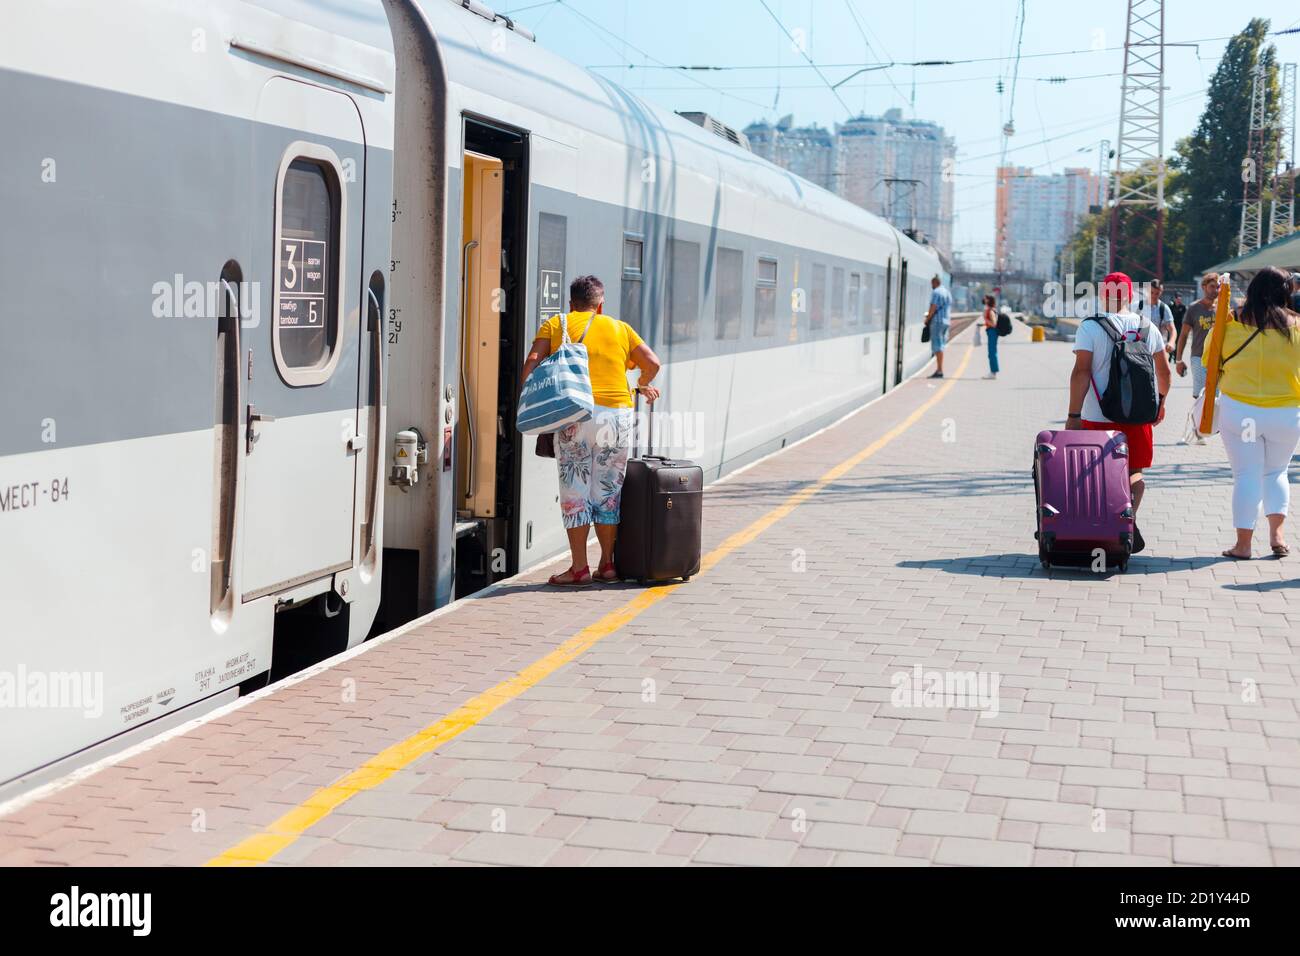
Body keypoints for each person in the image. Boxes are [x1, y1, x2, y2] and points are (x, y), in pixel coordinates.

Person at [519, 275, 662, 585]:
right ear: (600, 305)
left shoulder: (557, 324)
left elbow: (530, 365)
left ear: (571, 304)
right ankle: (607, 565)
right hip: (616, 418)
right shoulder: (620, 328)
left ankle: (579, 568)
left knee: (575, 491)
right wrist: (642, 383)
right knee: (608, 493)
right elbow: (652, 362)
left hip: (574, 416)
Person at [1067, 271, 1171, 554]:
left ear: (1103, 295)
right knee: (1133, 473)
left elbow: (1081, 372)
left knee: (1097, 477)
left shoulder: (1090, 327)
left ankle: (1103, 532)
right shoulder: (1147, 326)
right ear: (1129, 295)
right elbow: (1164, 373)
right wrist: (1159, 404)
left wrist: (1073, 416)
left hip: (1097, 417)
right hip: (1138, 418)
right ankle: (1127, 518)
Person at [1211, 267, 1300, 560]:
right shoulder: (1297, 325)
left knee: (1247, 475)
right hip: (1286, 414)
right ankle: (1277, 536)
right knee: (1276, 472)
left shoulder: (1231, 321)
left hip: (1242, 412)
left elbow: (1211, 357)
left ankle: (1243, 545)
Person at [1174, 274, 1221, 446]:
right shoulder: (1194, 309)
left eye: (1217, 287)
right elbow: (1184, 335)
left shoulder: (1222, 309)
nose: (1215, 290)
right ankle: (1195, 429)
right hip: (1199, 357)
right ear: (1203, 287)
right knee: (1201, 394)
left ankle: (1208, 427)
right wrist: (1179, 360)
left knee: (1216, 397)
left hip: (1218, 359)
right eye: (1211, 286)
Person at [1137, 278, 1177, 361]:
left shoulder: (1164, 308)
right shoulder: (1137, 306)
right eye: (1151, 292)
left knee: (1162, 373)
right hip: (1139, 347)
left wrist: (1171, 342)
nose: (1154, 296)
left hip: (1157, 347)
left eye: (1157, 293)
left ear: (1161, 292)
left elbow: (1172, 329)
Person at [924, 275, 952, 379]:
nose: (932, 286)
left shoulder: (936, 292)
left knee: (937, 346)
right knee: (941, 345)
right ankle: (939, 369)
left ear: (935, 282)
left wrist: (927, 319)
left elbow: (933, 307)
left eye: (932, 284)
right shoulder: (947, 292)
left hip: (937, 321)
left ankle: (939, 370)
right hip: (946, 321)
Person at [981, 294, 999, 380]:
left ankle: (993, 373)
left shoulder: (990, 311)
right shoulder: (989, 310)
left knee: (992, 352)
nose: (983, 300)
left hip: (992, 332)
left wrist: (985, 319)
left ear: (988, 300)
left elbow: (994, 324)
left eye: (985, 299)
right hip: (991, 332)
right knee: (991, 352)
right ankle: (993, 372)